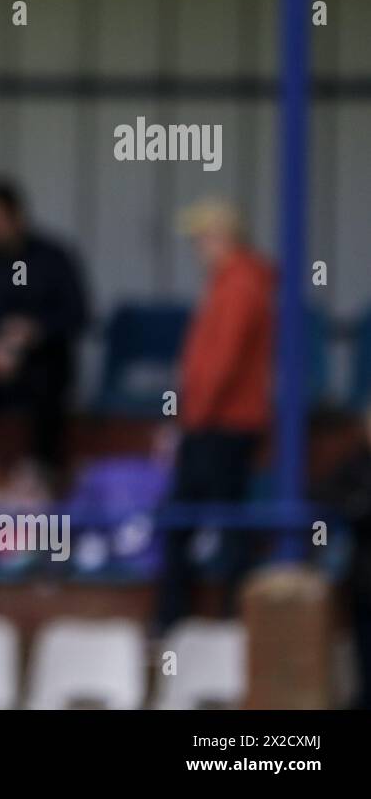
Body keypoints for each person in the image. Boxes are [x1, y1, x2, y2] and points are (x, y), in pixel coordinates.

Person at [153, 198, 275, 636]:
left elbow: (221, 363)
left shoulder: (239, 285)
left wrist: (191, 418)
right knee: (222, 521)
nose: (198, 248)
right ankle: (221, 617)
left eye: (203, 238)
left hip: (219, 424)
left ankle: (184, 619)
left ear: (225, 238)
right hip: (221, 422)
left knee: (196, 521)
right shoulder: (233, 282)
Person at [0, 178, 89, 490]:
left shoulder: (52, 257)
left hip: (38, 362)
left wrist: (34, 332)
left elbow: (79, 316)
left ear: (13, 216)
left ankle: (42, 471)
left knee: (52, 376)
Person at [316, 407, 371, 709]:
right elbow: (323, 493)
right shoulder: (355, 466)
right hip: (365, 583)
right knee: (363, 655)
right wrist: (358, 507)